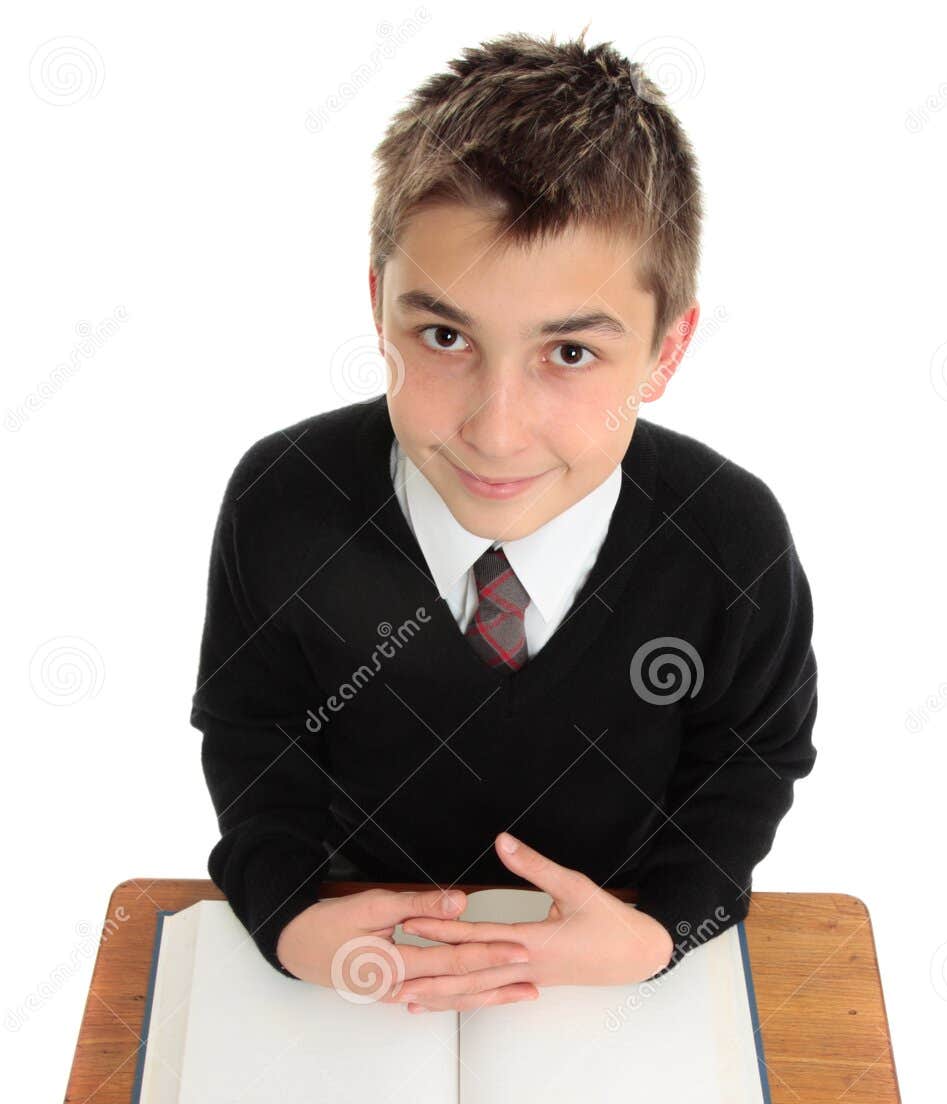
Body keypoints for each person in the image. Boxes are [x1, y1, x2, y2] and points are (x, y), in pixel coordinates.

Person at [190, 29, 818, 1013]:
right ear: (378, 304)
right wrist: (286, 917)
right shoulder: (286, 498)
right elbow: (252, 727)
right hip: (354, 968)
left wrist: (665, 928)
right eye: (443, 336)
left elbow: (751, 751)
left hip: (615, 970)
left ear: (665, 349)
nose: (495, 429)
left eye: (568, 353)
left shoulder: (729, 538)